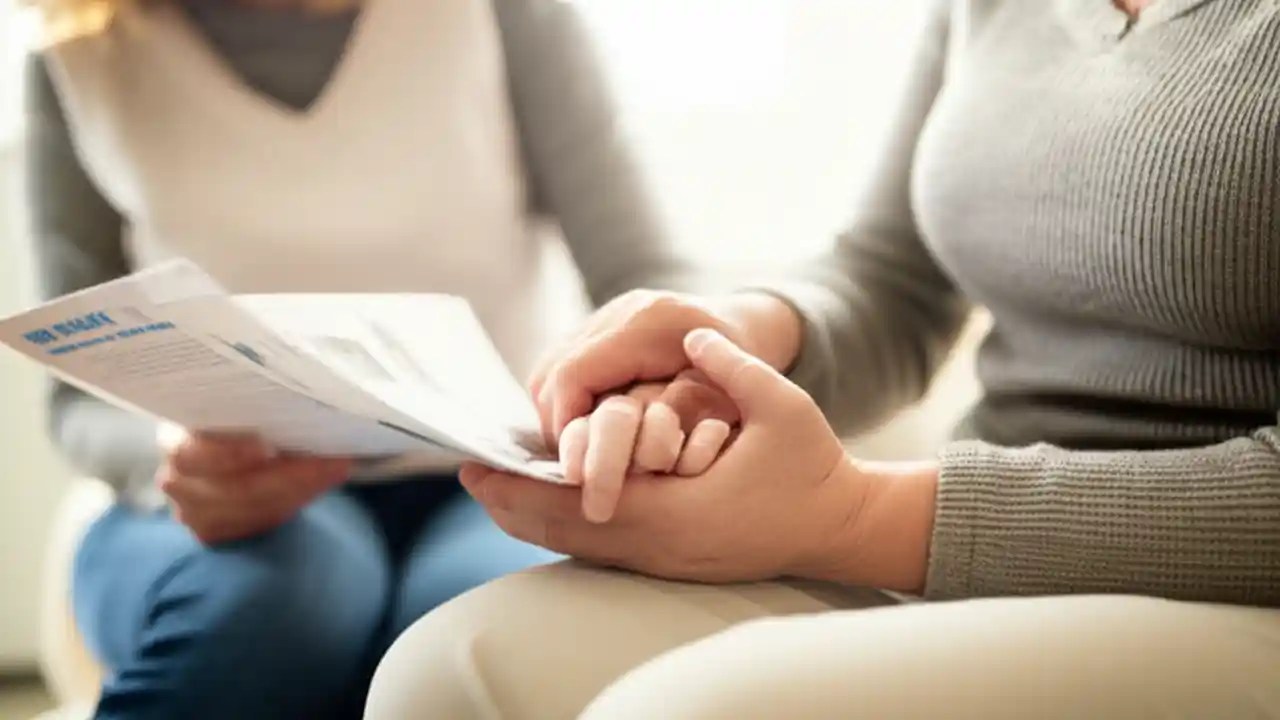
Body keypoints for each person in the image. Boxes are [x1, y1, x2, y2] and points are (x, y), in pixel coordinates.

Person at [366, 0, 1280, 717]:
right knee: (450, 672)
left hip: (1234, 594)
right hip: (972, 554)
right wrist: (732, 339)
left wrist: (855, 518)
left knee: (681, 712)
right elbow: (895, 279)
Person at [24, 0, 729, 717]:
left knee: (473, 644)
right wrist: (174, 457)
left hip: (496, 473)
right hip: (217, 506)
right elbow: (76, 398)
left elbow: (643, 280)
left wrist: (643, 401)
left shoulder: (502, 15)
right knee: (273, 613)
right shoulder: (81, 54)